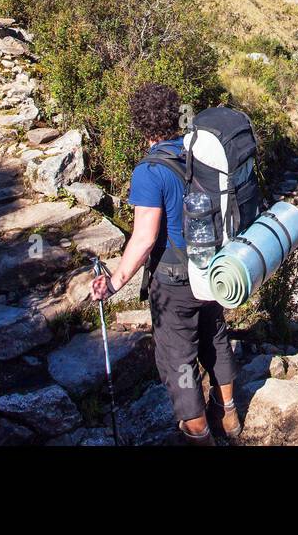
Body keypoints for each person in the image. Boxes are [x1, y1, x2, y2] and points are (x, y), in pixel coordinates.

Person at [90, 83, 239, 445]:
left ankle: (199, 434)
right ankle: (230, 416)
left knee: (178, 361)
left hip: (174, 282)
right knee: (215, 338)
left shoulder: (148, 172)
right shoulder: (198, 153)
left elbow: (143, 238)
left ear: (141, 125)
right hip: (211, 270)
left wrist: (113, 283)